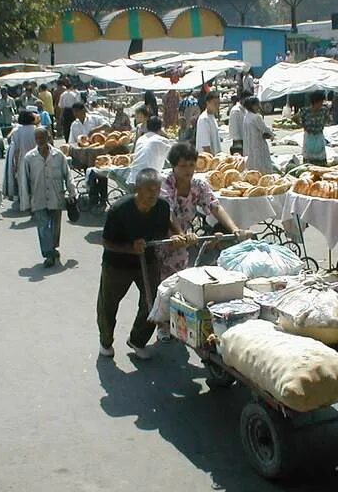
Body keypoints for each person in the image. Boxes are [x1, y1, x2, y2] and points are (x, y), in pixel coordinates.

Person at [97, 168, 186, 359]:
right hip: (117, 264)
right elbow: (106, 242)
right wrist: (130, 248)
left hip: (148, 259)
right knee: (108, 304)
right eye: (148, 189)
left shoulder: (161, 206)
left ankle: (137, 340)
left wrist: (179, 234)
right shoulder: (119, 210)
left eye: (157, 189)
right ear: (137, 189)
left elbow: (170, 221)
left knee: (154, 301)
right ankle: (105, 341)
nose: (153, 194)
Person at [158, 142, 247, 279]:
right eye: (182, 166)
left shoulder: (198, 185)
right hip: (160, 238)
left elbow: (215, 206)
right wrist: (182, 234)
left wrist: (234, 229)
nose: (188, 170)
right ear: (173, 166)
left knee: (179, 282)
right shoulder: (166, 183)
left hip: (180, 245)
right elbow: (167, 212)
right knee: (156, 286)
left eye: (191, 165)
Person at [19, 127, 77, 268]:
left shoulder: (58, 156)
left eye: (42, 138)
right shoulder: (29, 158)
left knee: (55, 226)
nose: (40, 141)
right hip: (38, 197)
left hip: (56, 196)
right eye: (37, 138)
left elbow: (67, 175)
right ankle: (48, 254)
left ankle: (53, 247)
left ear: (49, 137)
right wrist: (26, 202)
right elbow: (24, 181)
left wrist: (72, 192)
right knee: (43, 226)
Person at [5, 110, 38, 208]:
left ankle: (27, 203)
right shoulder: (36, 129)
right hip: (36, 158)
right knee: (36, 181)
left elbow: (17, 150)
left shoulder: (17, 131)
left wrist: (15, 164)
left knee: (24, 182)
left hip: (23, 159)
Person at [126, 116, 171, 186]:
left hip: (133, 179)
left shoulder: (141, 139)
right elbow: (173, 158)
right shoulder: (162, 140)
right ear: (161, 128)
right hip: (149, 181)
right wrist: (165, 135)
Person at [241, 96, 274, 174]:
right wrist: (271, 135)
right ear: (253, 106)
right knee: (261, 164)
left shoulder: (246, 116)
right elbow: (264, 129)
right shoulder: (256, 117)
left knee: (252, 163)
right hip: (258, 144)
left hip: (249, 144)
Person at [296, 90, 329, 166]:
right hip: (309, 136)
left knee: (320, 157)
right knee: (308, 158)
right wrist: (303, 125)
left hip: (319, 136)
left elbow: (328, 119)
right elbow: (295, 118)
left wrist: (322, 124)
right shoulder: (305, 111)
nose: (321, 104)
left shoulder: (324, 110)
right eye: (320, 102)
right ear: (315, 102)